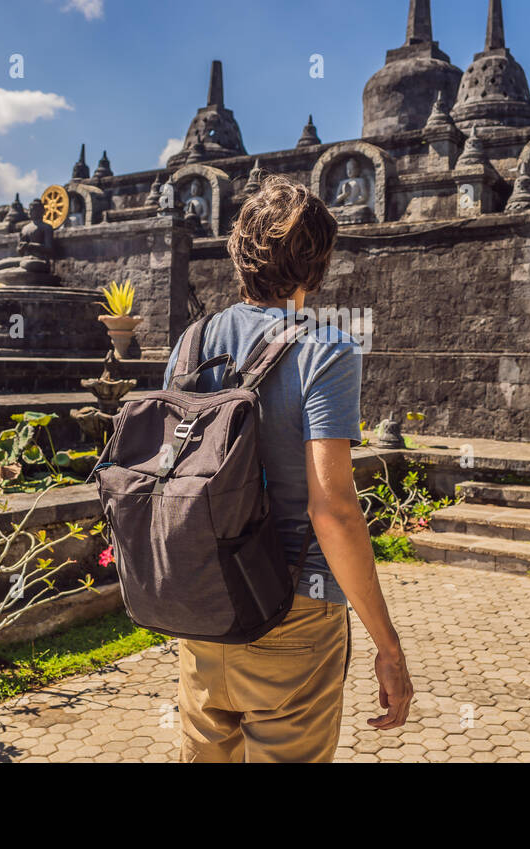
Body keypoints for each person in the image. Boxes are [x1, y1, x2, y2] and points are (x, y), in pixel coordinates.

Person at [164, 174, 413, 762]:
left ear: (237, 253)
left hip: (201, 604)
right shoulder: (325, 351)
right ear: (318, 266)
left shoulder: (190, 345)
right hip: (295, 612)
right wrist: (388, 641)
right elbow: (334, 510)